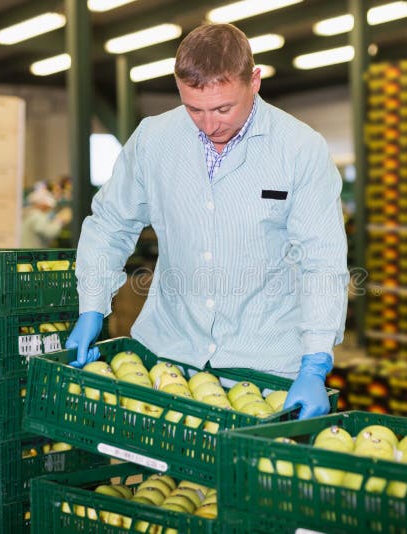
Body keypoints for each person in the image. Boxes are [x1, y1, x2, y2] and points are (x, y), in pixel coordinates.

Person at [66, 23, 348, 419]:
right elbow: (110, 224)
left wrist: (315, 360)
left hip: (264, 367)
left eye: (223, 108)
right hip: (167, 360)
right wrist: (92, 304)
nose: (209, 124)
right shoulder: (153, 140)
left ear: (255, 81)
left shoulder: (299, 150)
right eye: (194, 109)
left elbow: (322, 261)